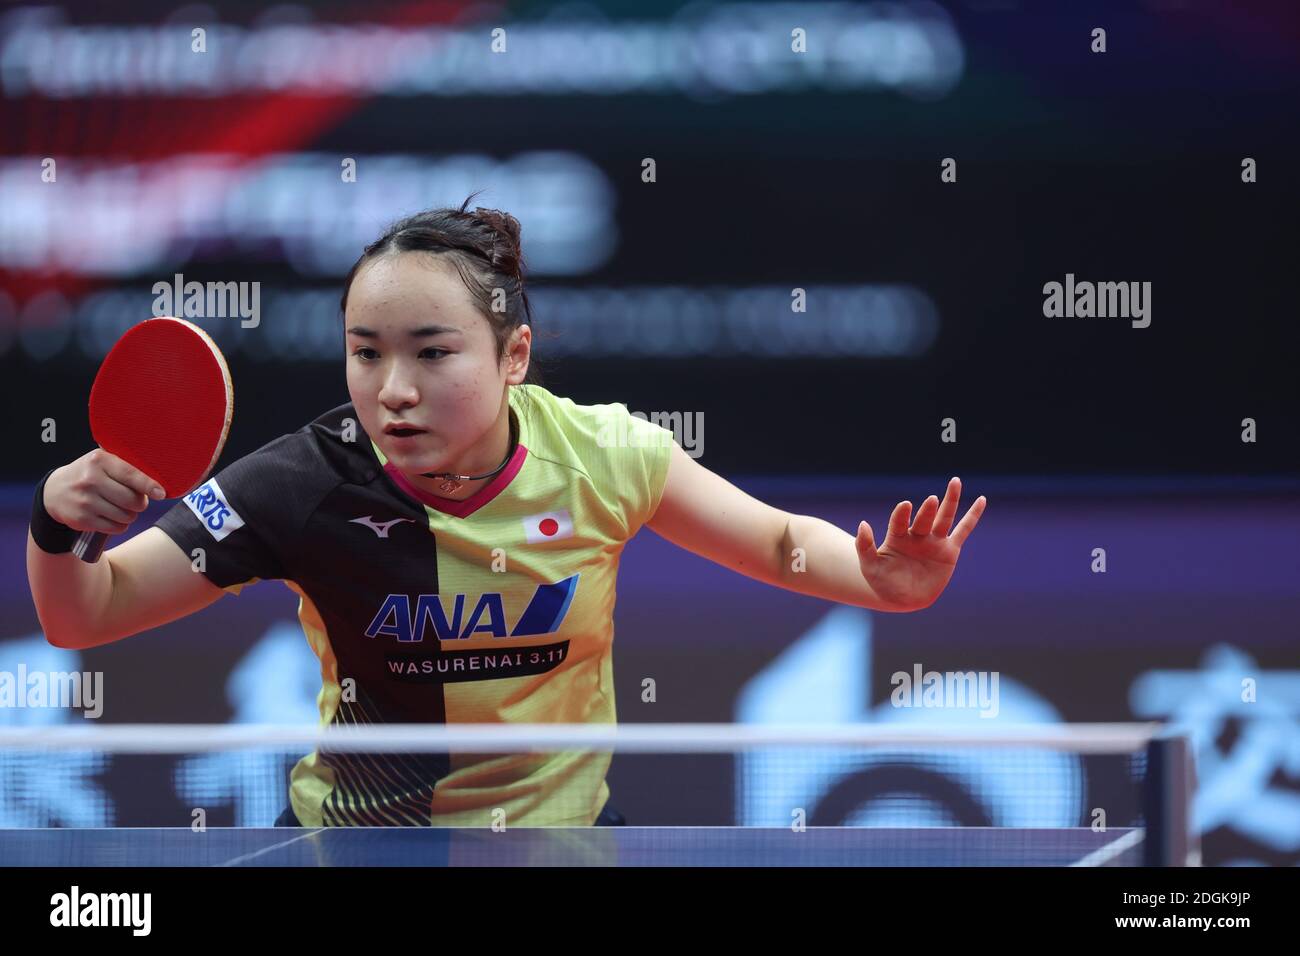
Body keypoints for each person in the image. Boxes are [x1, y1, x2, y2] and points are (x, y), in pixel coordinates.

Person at [27, 193, 986, 827]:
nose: (393, 388)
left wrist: (881, 581)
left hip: (557, 849)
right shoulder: (298, 484)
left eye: (433, 352)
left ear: (513, 355)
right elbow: (86, 613)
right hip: (361, 847)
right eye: (366, 352)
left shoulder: (603, 458)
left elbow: (781, 544)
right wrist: (57, 524)